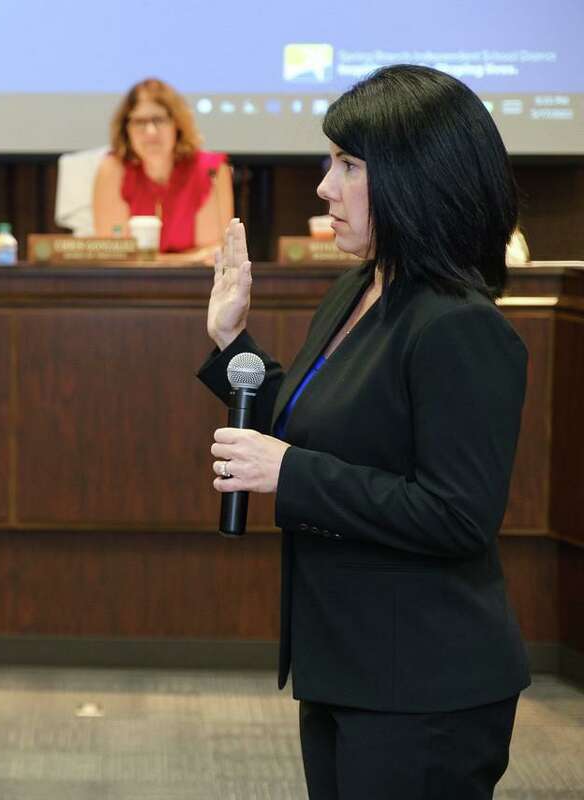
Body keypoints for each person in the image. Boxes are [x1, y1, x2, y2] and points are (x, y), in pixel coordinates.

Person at [199, 65, 529, 799]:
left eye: (349, 166)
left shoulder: (459, 325)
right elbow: (316, 422)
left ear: (416, 179)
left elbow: (457, 515)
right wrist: (233, 345)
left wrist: (289, 474)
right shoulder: (360, 287)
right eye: (331, 161)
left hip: (424, 685)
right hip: (346, 662)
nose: (324, 186)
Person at [92, 78, 233, 263]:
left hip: (197, 286)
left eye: (159, 120)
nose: (150, 131)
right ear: (126, 129)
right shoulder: (112, 169)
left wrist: (153, 262)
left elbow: (215, 254)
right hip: (129, 286)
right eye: (139, 121)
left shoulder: (210, 170)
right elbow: (113, 255)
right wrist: (187, 260)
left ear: (177, 124)